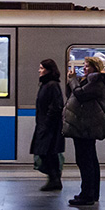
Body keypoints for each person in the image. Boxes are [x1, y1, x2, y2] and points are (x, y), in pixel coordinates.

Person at [62, 55, 105, 207]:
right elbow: (72, 93)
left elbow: (80, 95)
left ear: (95, 68)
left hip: (85, 126)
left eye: (87, 66)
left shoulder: (96, 81)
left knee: (85, 160)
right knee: (89, 159)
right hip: (84, 125)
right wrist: (72, 81)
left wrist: (72, 80)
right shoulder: (90, 81)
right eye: (83, 65)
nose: (84, 68)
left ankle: (87, 195)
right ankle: (91, 193)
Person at [31, 58, 66, 191]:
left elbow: (56, 106)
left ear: (48, 70)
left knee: (47, 152)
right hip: (44, 124)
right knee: (47, 152)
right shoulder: (46, 84)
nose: (39, 71)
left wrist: (46, 122)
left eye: (41, 68)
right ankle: (54, 179)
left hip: (49, 126)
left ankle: (55, 179)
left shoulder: (52, 85)